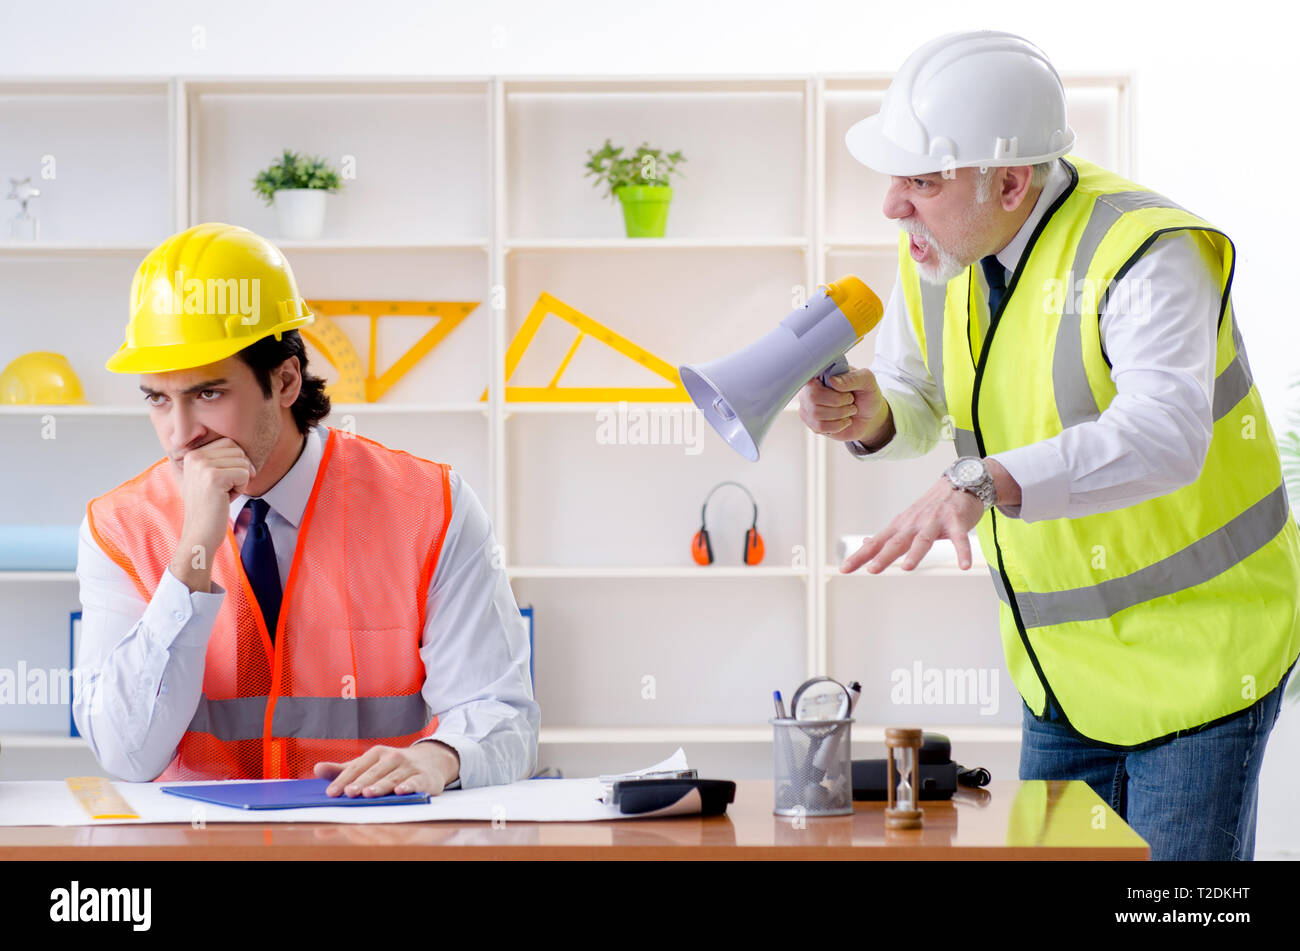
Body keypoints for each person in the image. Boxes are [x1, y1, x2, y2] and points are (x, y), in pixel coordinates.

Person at [798, 30, 1299, 860]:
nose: (893, 205)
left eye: (922, 180)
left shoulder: (1147, 254)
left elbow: (1165, 436)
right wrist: (869, 414)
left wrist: (981, 478)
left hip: (1204, 661)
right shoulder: (939, 245)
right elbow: (922, 400)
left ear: (1011, 180)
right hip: (1061, 673)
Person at [74, 222, 538, 797]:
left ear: (286, 380)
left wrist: (441, 757)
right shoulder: (118, 528)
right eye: (158, 399)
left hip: (375, 846)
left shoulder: (431, 507)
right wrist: (192, 554)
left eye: (209, 394)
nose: (180, 434)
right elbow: (126, 753)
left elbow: (502, 711)